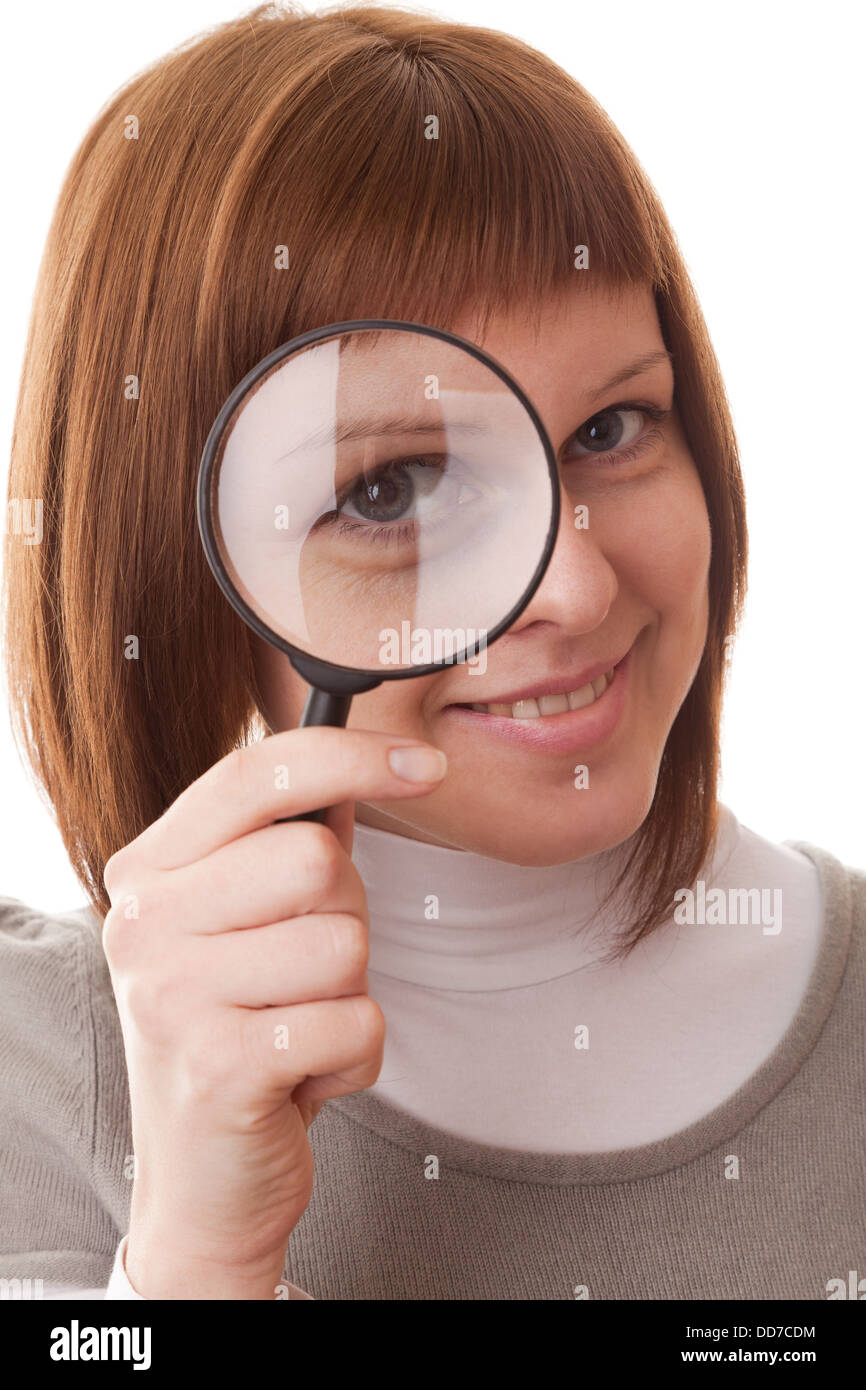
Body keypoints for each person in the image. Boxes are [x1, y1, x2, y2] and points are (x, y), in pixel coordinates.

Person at [1, 2, 863, 1301]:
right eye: (393, 488)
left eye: (613, 428)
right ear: (175, 566)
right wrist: (194, 1268)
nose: (570, 584)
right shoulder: (32, 1070)